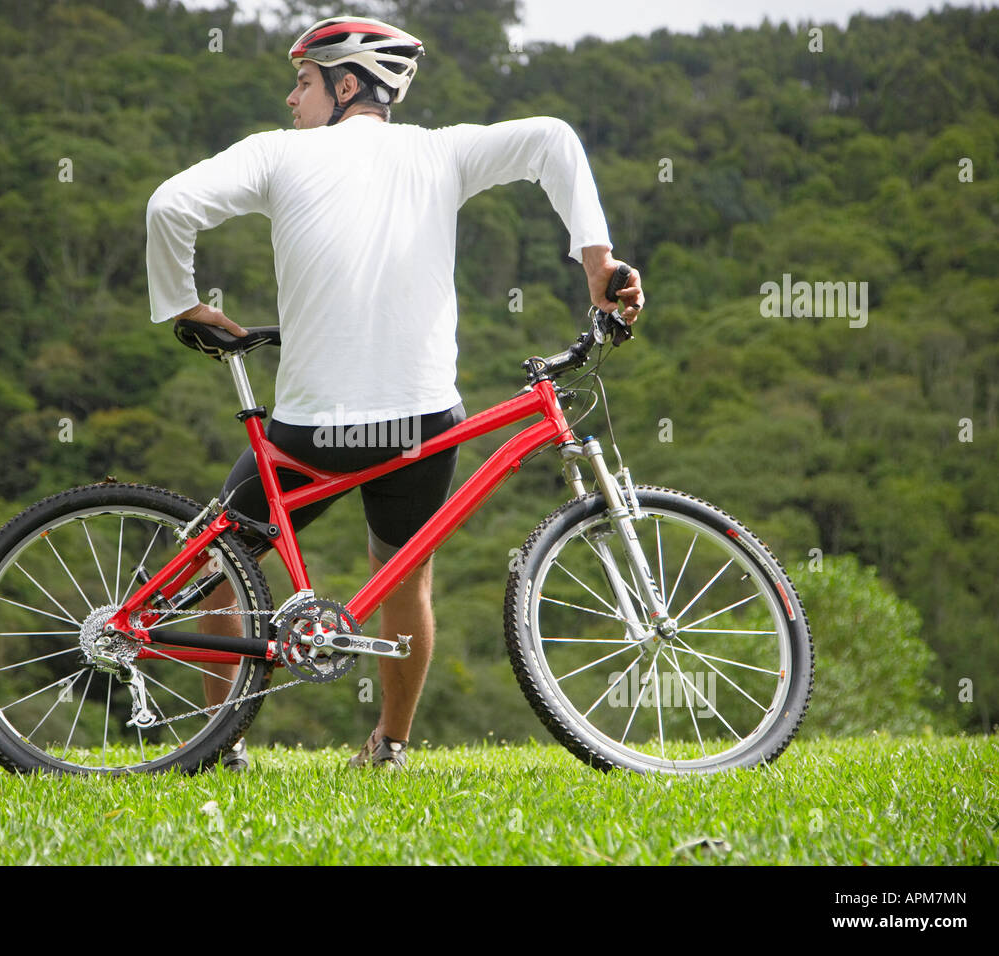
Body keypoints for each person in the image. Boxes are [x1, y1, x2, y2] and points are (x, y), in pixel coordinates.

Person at [145, 16, 644, 772]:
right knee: (405, 578)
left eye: (303, 82)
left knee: (222, 567)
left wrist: (185, 306)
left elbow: (167, 207)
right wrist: (598, 265)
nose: (292, 99)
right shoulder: (439, 151)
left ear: (345, 85)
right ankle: (390, 745)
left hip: (312, 431)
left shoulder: (276, 154)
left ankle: (223, 743)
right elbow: (552, 140)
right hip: (421, 426)